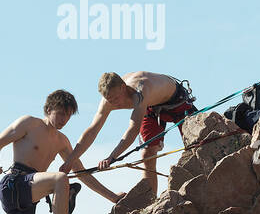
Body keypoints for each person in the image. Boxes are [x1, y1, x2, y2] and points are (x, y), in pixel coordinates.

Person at [67, 71, 197, 189]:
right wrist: (70, 160)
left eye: (116, 98)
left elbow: (133, 129)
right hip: (151, 107)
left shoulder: (140, 91)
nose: (114, 103)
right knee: (147, 155)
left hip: (177, 100)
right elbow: (92, 130)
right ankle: (151, 201)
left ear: (123, 88)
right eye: (109, 100)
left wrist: (111, 157)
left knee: (195, 145)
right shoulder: (109, 99)